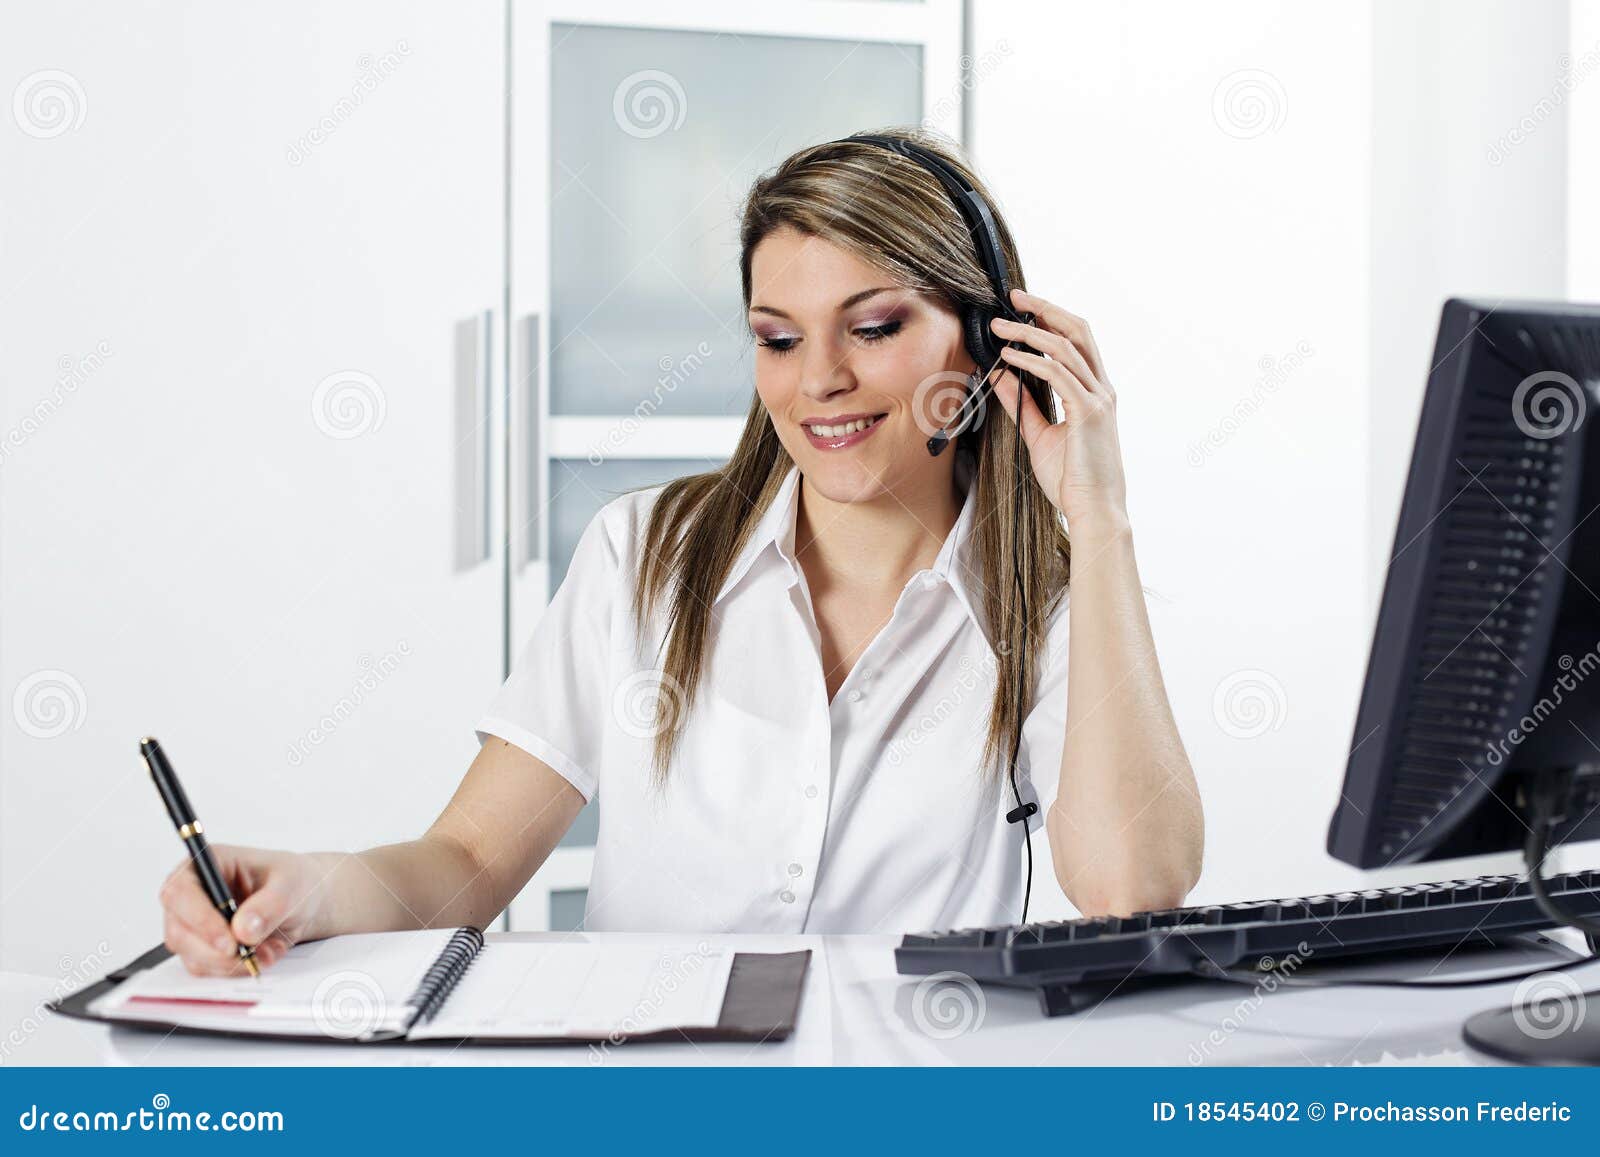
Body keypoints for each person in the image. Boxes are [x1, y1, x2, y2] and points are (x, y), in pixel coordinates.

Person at [156, 127, 1203, 976]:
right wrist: (311, 884)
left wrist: (1095, 517)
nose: (818, 380)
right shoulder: (643, 555)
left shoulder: (1056, 603)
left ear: (989, 338)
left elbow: (1130, 887)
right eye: (778, 337)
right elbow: (470, 861)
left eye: (872, 326)